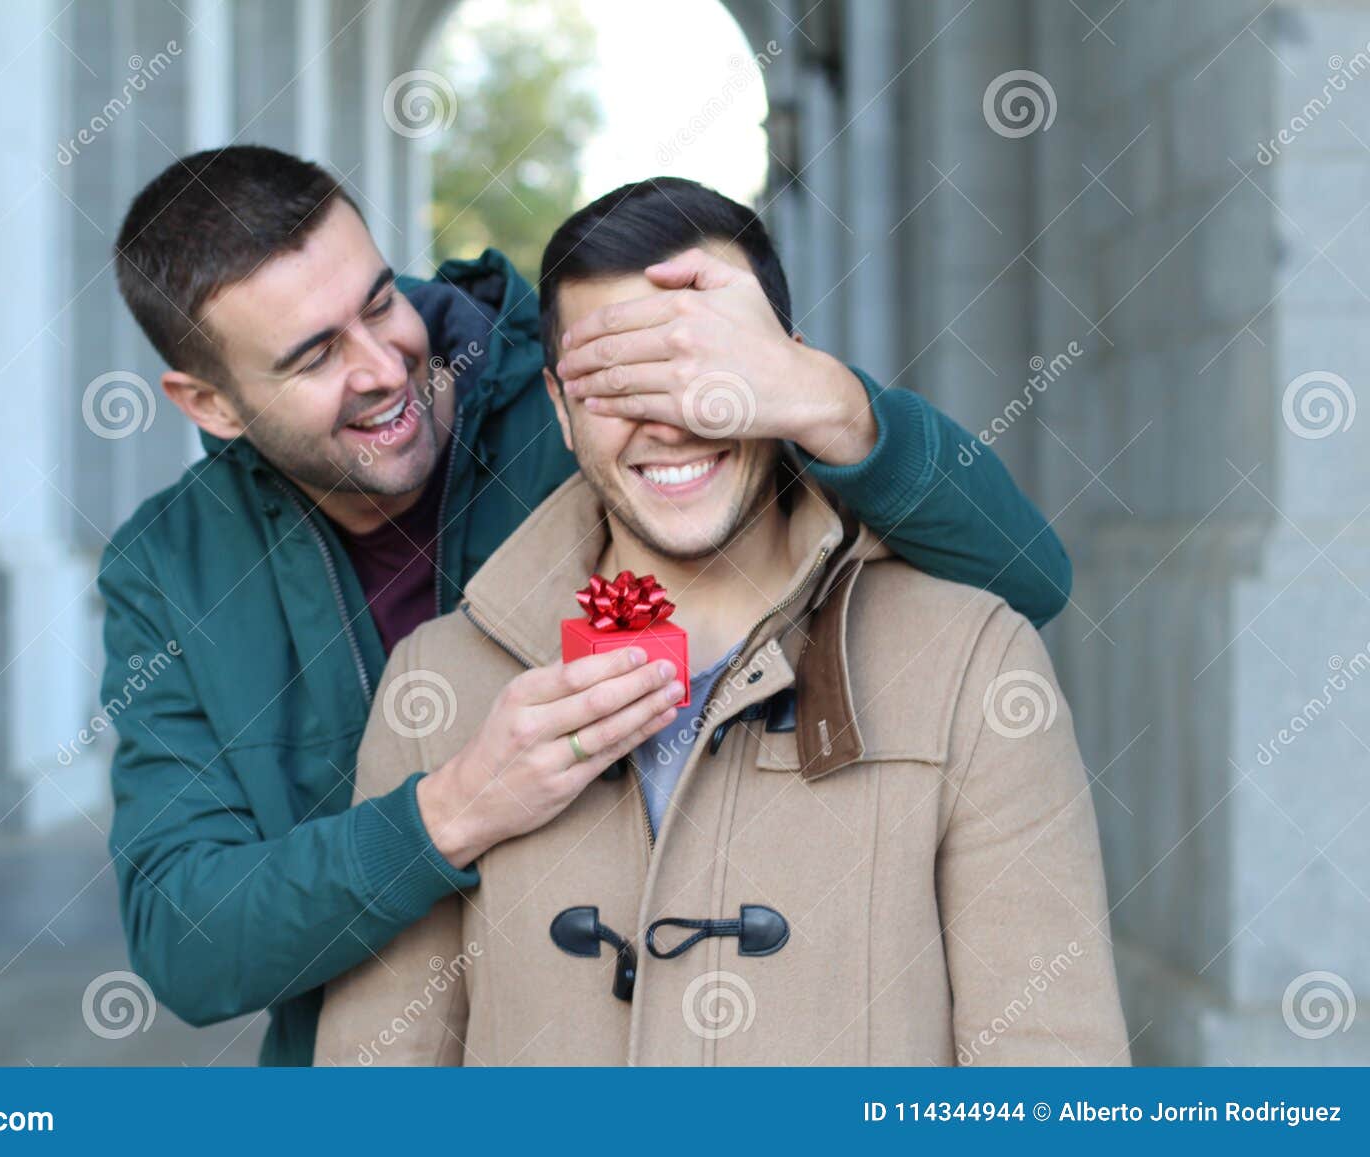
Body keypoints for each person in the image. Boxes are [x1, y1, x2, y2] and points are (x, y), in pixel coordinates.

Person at [103, 147, 1075, 1065]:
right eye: (314, 355)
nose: (385, 365)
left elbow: (1019, 585)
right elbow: (187, 944)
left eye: (379, 300)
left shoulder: (597, 405)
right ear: (211, 403)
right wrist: (448, 812)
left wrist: (826, 399)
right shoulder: (169, 568)